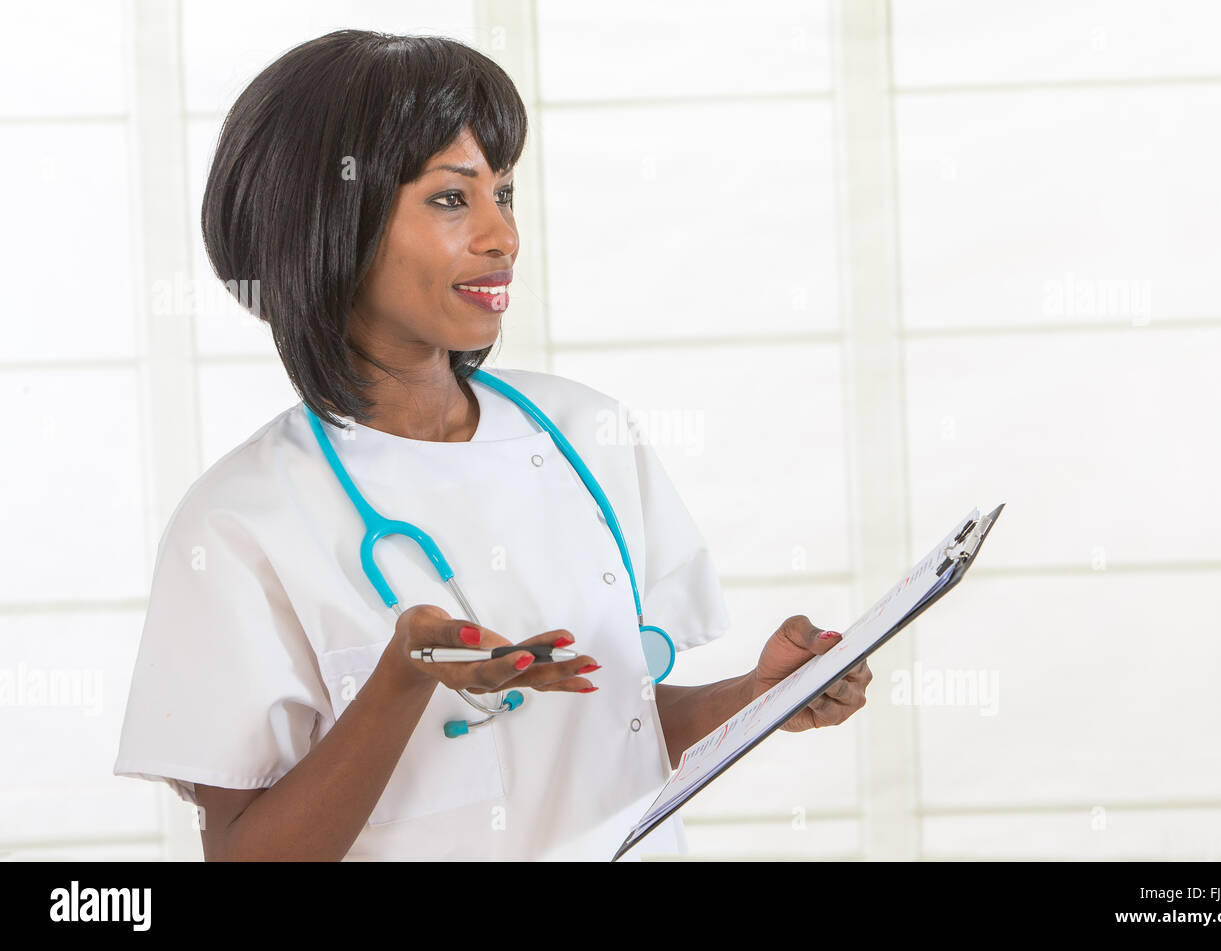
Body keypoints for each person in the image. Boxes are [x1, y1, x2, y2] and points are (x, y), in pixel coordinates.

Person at [113, 29, 873, 861]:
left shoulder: (589, 435)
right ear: (332, 220)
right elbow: (244, 853)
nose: (502, 236)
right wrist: (402, 678)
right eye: (451, 198)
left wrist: (758, 696)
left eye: (504, 193)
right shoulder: (239, 524)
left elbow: (605, 734)